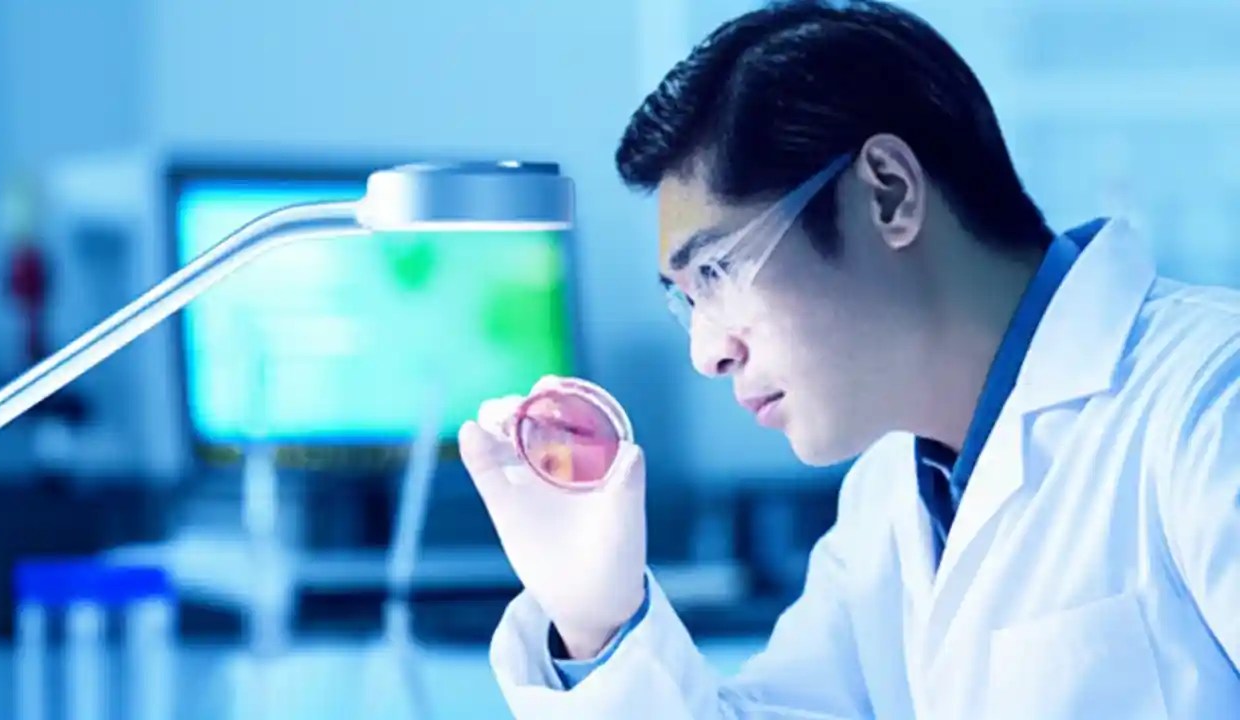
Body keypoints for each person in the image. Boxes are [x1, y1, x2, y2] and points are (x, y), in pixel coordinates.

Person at [458, 1, 1240, 717]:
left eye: (719, 271)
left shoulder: (1210, 402)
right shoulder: (890, 498)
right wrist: (597, 621)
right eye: (688, 299)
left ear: (889, 195)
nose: (707, 351)